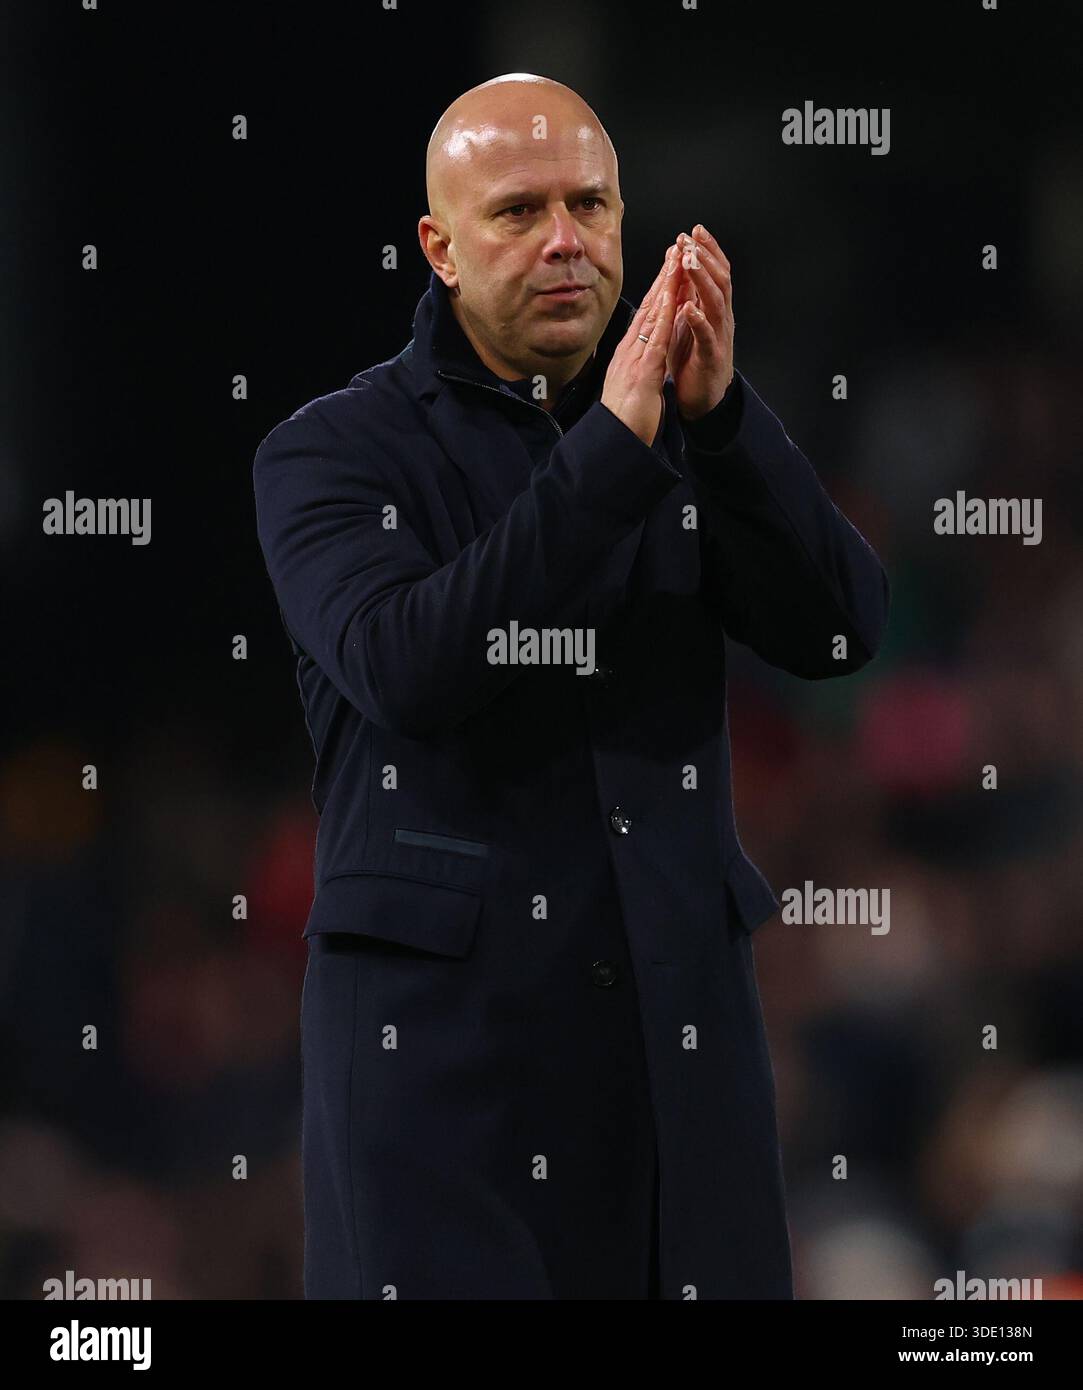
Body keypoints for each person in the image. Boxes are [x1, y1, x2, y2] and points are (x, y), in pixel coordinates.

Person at [252, 72, 890, 1300]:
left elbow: (838, 629)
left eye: (591, 206)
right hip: (449, 1093)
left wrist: (725, 426)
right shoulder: (330, 451)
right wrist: (615, 449)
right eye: (518, 210)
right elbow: (409, 663)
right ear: (439, 246)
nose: (565, 241)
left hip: (678, 1060)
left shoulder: (681, 423)